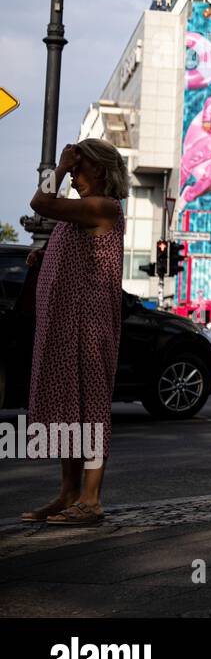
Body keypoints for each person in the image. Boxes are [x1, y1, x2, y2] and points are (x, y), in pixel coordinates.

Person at [19, 139, 129, 526]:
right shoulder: (84, 212)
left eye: (80, 168)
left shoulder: (104, 206)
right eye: (73, 167)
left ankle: (91, 498)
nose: (75, 175)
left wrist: (59, 167)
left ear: (99, 170)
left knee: (91, 409)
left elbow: (41, 204)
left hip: (88, 323)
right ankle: (68, 493)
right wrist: (46, 255)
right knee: (69, 406)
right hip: (65, 323)